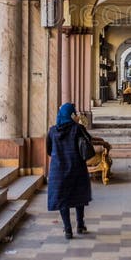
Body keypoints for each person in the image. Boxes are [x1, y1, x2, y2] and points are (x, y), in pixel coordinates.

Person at [46, 102, 93, 240]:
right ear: (71, 114)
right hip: (76, 167)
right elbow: (88, 141)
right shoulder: (77, 128)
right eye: (74, 113)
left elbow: (49, 150)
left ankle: (68, 230)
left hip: (58, 170)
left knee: (62, 199)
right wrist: (79, 123)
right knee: (78, 196)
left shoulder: (52, 131)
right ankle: (80, 224)